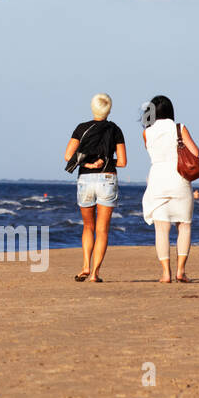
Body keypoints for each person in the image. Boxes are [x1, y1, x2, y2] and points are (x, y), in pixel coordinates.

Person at [63, 93, 127, 283]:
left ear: (93, 108)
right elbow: (122, 162)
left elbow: (68, 156)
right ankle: (95, 273)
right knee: (102, 230)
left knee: (88, 226)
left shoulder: (81, 128)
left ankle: (85, 265)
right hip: (107, 178)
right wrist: (106, 161)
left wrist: (89, 165)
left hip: (85, 179)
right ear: (110, 109)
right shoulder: (115, 129)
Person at [140, 95, 199, 283]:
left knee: (161, 228)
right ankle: (180, 271)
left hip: (157, 179)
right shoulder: (179, 128)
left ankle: (166, 273)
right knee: (184, 225)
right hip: (179, 179)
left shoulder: (147, 132)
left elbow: (152, 152)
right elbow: (196, 152)